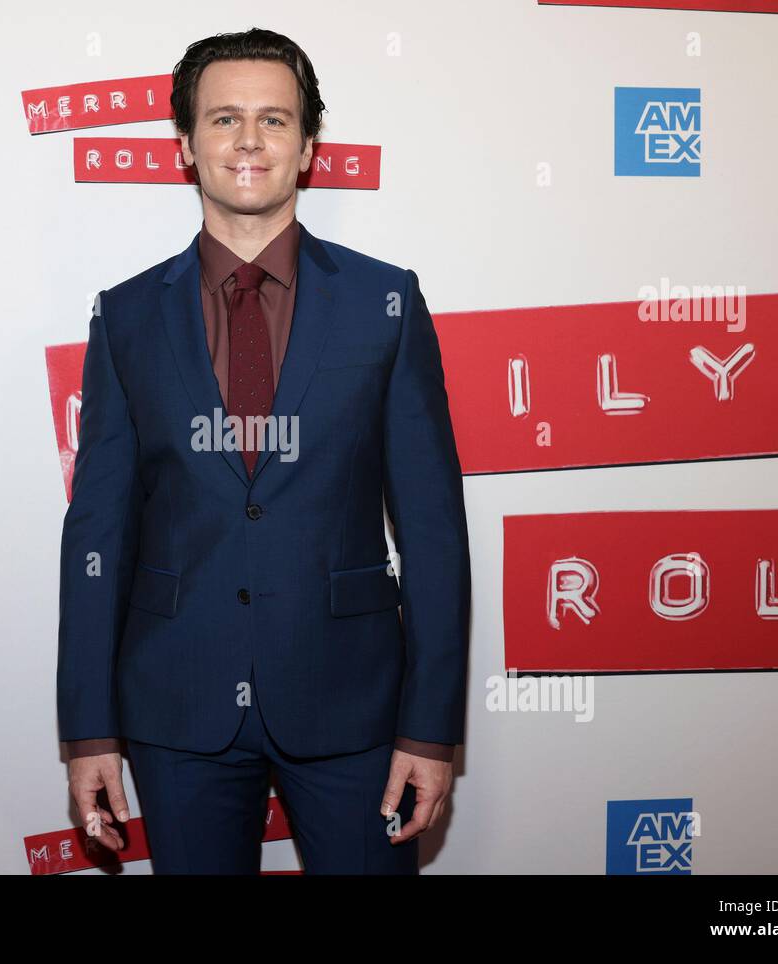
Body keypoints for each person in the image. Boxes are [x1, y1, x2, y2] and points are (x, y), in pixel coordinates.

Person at [57, 27, 470, 874]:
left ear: (309, 146)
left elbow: (432, 532)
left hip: (354, 706)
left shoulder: (385, 303)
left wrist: (431, 728)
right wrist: (87, 728)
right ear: (186, 145)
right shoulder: (125, 317)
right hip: (178, 707)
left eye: (275, 120)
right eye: (224, 119)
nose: (249, 141)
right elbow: (96, 532)